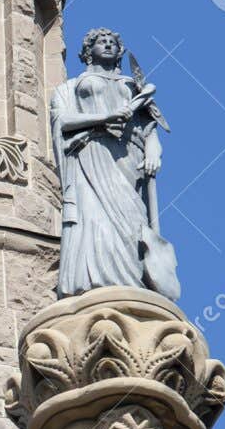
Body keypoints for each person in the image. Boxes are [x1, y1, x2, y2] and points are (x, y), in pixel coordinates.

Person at [50, 28, 179, 301]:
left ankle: (132, 280)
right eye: (101, 41)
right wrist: (104, 118)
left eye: (112, 42)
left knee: (132, 219)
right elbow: (63, 121)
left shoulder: (132, 86)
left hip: (129, 156)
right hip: (91, 151)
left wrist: (153, 151)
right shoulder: (70, 87)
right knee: (94, 215)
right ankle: (95, 280)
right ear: (88, 51)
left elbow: (149, 126)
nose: (108, 45)